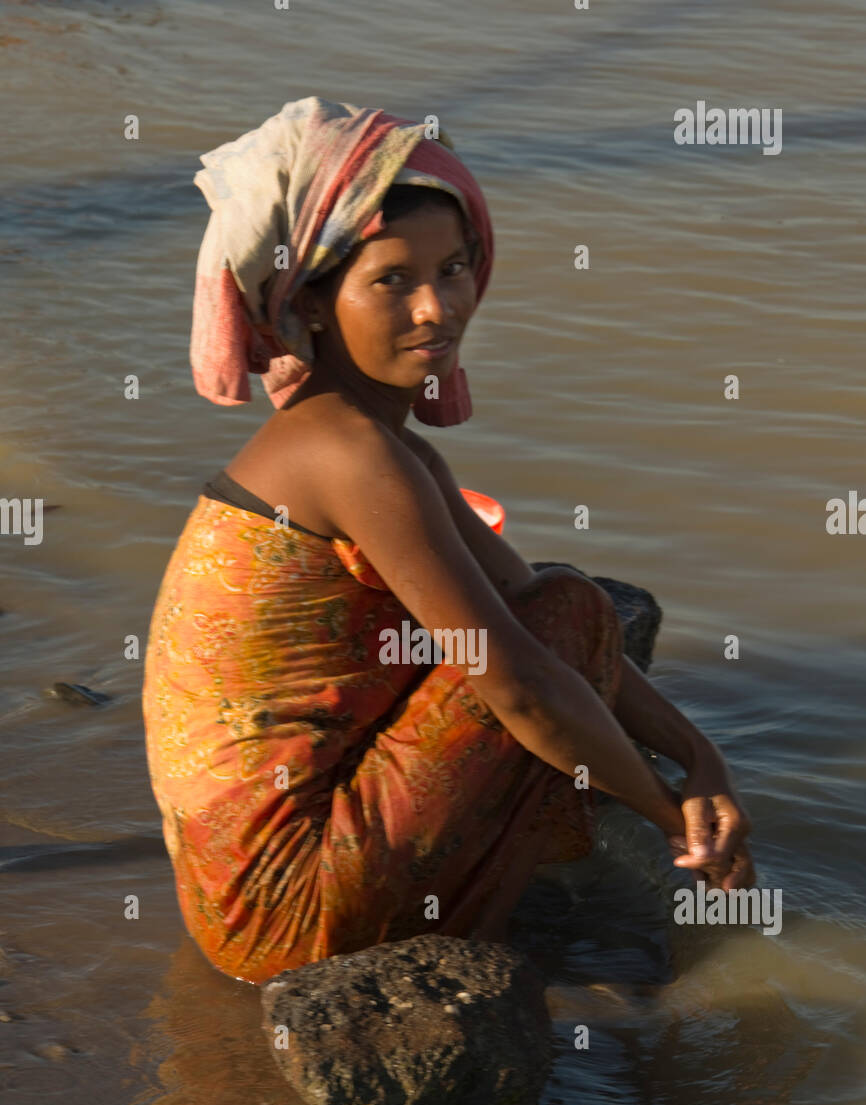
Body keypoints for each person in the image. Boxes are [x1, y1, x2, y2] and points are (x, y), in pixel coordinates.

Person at [142, 97, 754, 986]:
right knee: (563, 622)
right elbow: (524, 682)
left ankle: (480, 916)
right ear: (310, 300)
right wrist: (676, 820)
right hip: (286, 909)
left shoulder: (377, 443)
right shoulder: (345, 452)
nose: (438, 308)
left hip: (252, 894)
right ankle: (472, 948)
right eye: (393, 281)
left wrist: (705, 758)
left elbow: (532, 604)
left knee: (562, 606)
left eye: (456, 269)